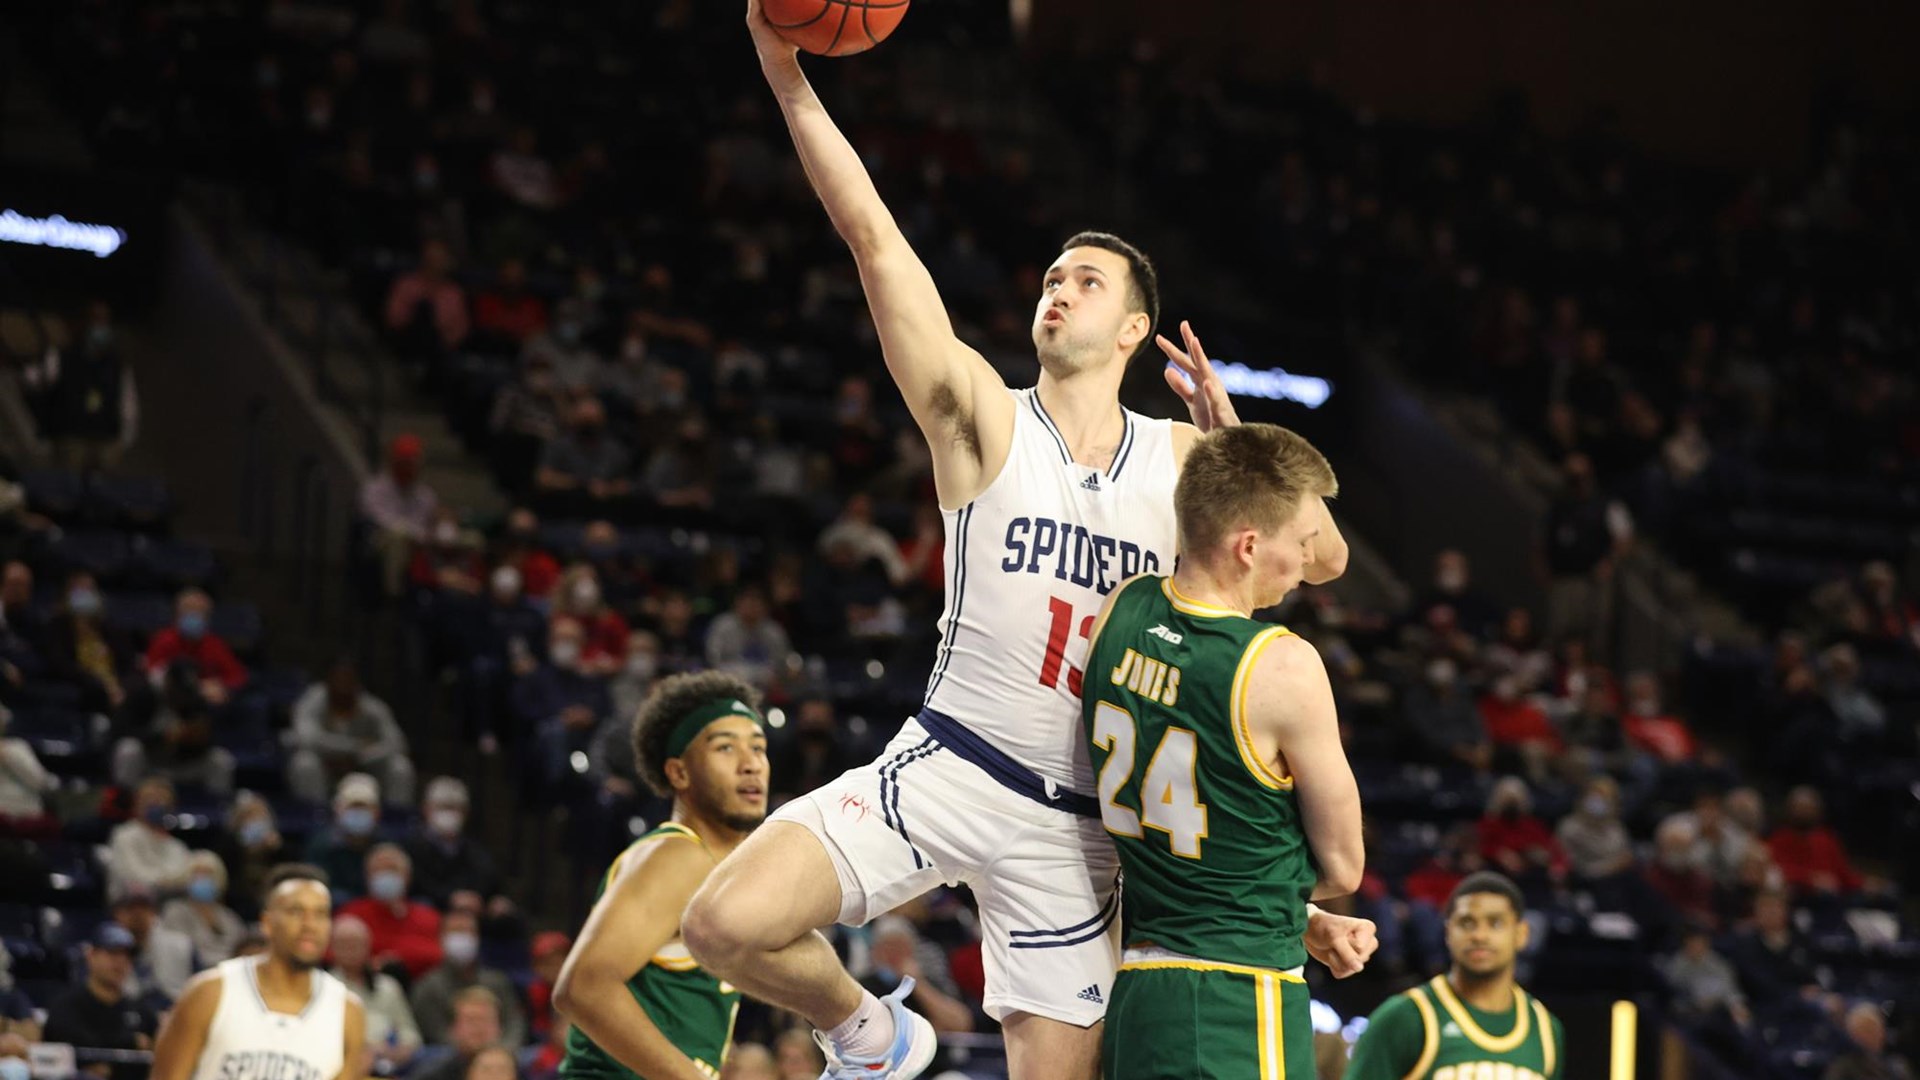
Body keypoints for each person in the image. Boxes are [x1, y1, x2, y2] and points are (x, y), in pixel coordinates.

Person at [684, 7, 1356, 1079]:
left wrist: (1248, 458)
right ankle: (871, 1034)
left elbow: (1323, 563)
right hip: (951, 757)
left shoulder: (1188, 466)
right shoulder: (982, 417)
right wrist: (788, 78)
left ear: (1135, 328)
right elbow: (873, 238)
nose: (1059, 286)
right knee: (721, 923)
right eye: (1051, 274)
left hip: (1081, 834)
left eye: (1087, 279)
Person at [1081, 424, 1372, 1079]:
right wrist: (1288, 904)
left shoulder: (1122, 607)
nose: (1306, 564)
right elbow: (1345, 864)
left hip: (1139, 992)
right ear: (1248, 547)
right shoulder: (1283, 666)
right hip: (1240, 1000)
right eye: (1298, 545)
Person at [554, 671, 770, 1080]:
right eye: (726, 748)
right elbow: (583, 988)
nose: (750, 765)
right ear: (679, 773)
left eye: (758, 748)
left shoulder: (714, 868)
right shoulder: (676, 855)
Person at [148, 864, 364, 1080]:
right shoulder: (209, 993)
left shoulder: (348, 1012)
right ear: (267, 923)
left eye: (320, 914)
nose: (310, 925)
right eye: (296, 911)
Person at [1345, 873, 1564, 1080]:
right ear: (1448, 932)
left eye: (1495, 923)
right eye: (1466, 923)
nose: (1479, 935)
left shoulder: (1545, 1028)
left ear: (1521, 933)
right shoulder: (1403, 1018)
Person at [43, 924, 158, 1080]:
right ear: (91, 955)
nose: (121, 961)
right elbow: (68, 1047)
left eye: (127, 955)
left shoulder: (142, 1010)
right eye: (113, 953)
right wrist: (131, 1041)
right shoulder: (67, 1005)